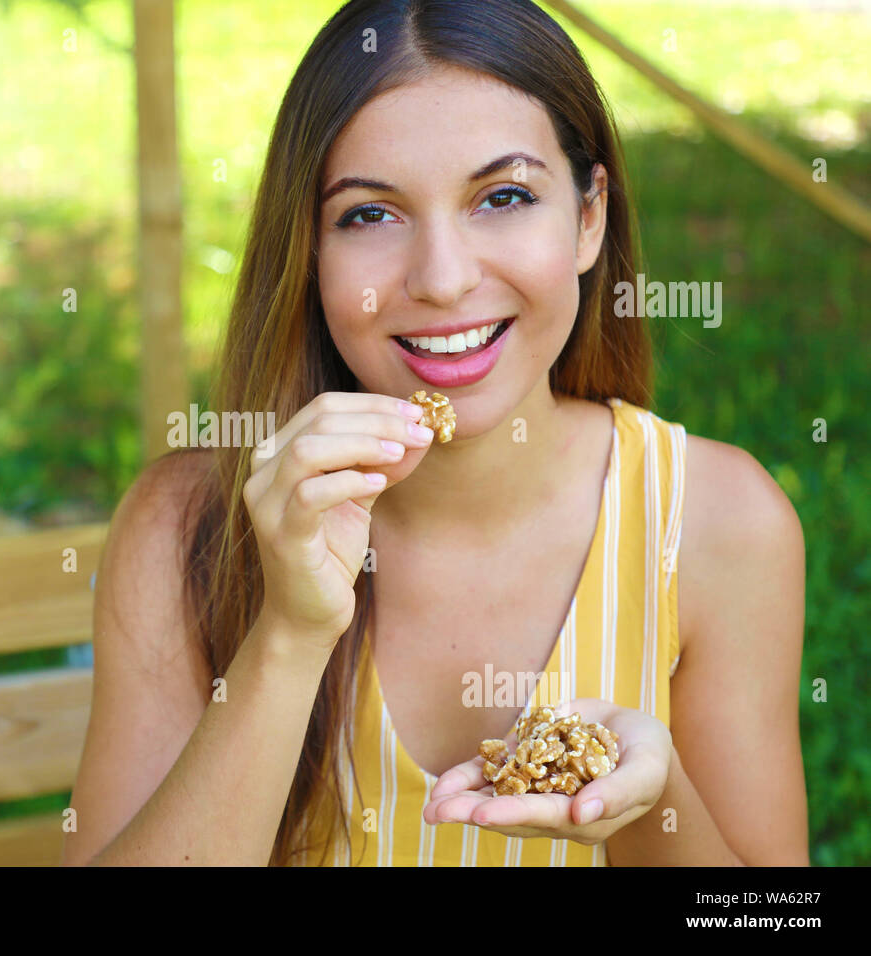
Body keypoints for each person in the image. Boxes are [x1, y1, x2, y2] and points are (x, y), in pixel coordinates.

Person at [62, 0, 808, 866]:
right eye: (371, 215)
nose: (444, 280)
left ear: (589, 217)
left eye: (504, 197)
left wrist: (643, 799)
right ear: (309, 250)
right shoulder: (185, 526)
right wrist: (290, 635)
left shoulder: (716, 523)